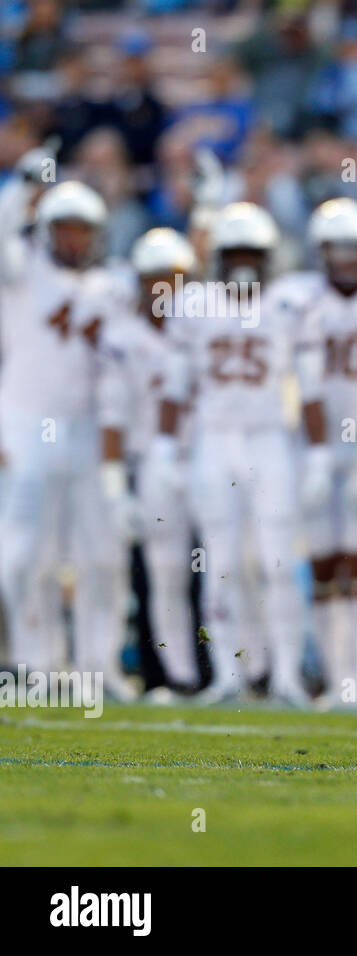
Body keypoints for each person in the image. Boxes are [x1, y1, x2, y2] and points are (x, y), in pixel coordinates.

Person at [158, 202, 325, 705]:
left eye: (253, 254)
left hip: (270, 437)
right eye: (235, 254)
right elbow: (174, 386)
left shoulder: (289, 303)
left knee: (277, 562)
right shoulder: (193, 304)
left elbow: (311, 390)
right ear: (219, 258)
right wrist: (168, 448)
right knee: (220, 559)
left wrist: (317, 455)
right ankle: (228, 675)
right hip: (214, 437)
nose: (245, 264)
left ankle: (288, 676)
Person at [0, 178, 133, 697]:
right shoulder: (21, 273)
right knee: (28, 553)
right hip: (29, 425)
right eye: (65, 230)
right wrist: (22, 188)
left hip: (90, 430)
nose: (74, 241)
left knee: (102, 554)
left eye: (83, 231)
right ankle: (37, 663)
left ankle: (100, 667)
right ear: (47, 231)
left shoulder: (112, 286)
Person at [289, 198, 357, 708]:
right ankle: (337, 681)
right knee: (324, 562)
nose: (349, 261)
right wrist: (315, 453)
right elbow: (303, 381)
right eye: (339, 250)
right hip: (316, 448)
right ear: (321, 252)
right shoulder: (303, 300)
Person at [97, 228, 201, 695]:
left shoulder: (204, 326)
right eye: (157, 279)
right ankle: (174, 676)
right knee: (164, 574)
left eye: (174, 279)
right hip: (152, 464)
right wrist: (117, 490)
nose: (165, 289)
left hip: (206, 458)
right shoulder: (122, 338)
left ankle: (227, 674)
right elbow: (113, 418)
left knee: (224, 572)